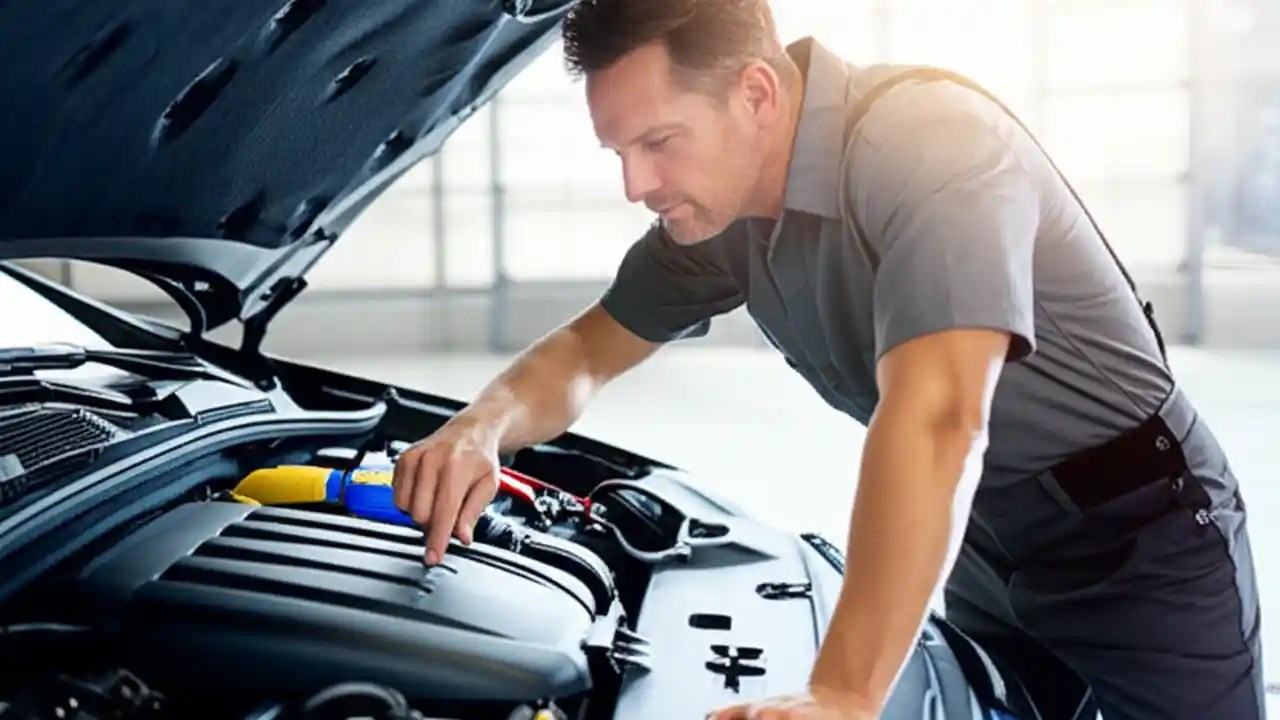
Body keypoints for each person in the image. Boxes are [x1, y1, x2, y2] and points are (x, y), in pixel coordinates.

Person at [391, 1, 1265, 718]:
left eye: (658, 142)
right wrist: (480, 428)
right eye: (619, 152)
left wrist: (843, 695)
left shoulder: (935, 147)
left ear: (758, 94)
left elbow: (937, 421)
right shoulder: (721, 215)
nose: (636, 185)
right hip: (984, 539)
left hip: (1139, 534)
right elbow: (588, 346)